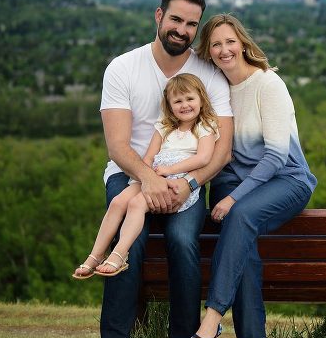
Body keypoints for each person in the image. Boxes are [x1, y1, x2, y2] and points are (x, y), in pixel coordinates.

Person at [88, 0, 233, 338]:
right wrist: (149, 178)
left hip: (187, 180)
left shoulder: (210, 73)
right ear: (159, 16)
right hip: (130, 174)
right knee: (128, 244)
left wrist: (190, 183)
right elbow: (118, 146)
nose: (182, 30)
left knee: (184, 243)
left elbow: (221, 150)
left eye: (191, 24)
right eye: (175, 19)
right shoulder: (123, 68)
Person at [188, 14, 317, 338]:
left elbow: (276, 156)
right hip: (233, 178)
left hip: (285, 178)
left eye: (230, 41)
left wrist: (233, 200)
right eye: (215, 44)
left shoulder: (268, 84)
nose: (224, 50)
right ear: (208, 53)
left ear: (242, 43)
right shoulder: (216, 90)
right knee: (244, 249)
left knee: (240, 216)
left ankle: (213, 315)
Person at [73, 73, 219, 280]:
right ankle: (95, 255)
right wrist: (148, 177)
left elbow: (203, 158)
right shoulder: (164, 127)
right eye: (178, 101)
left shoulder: (205, 127)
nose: (185, 105)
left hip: (177, 180)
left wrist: (170, 170)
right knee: (118, 202)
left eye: (190, 99)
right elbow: (150, 156)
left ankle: (119, 254)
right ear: (169, 106)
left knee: (136, 204)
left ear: (201, 100)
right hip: (154, 176)